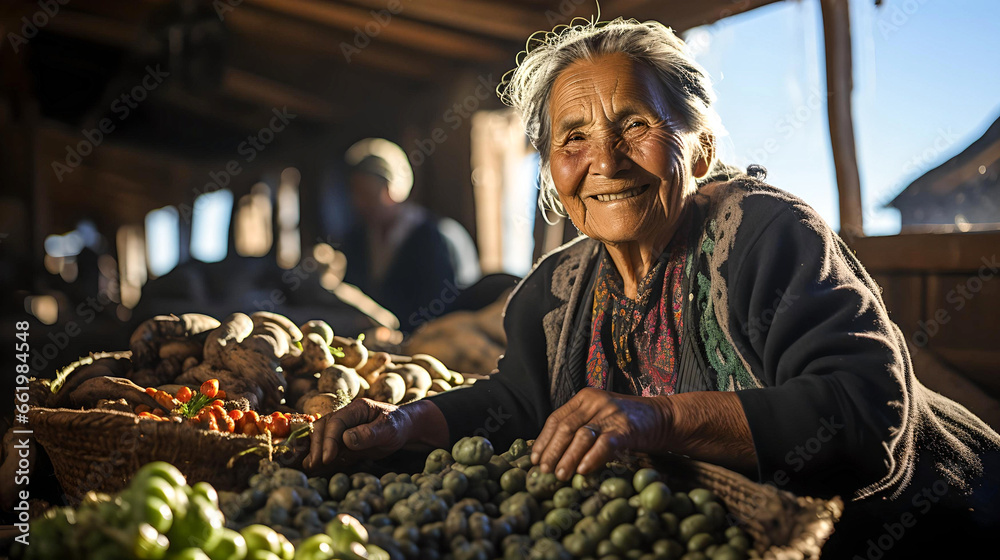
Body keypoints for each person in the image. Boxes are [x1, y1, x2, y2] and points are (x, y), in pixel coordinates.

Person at [307, 19, 1000, 553]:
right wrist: (404, 422)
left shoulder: (761, 232)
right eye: (572, 138)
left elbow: (864, 418)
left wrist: (655, 419)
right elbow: (518, 403)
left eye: (634, 124)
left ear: (697, 149)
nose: (603, 159)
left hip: (933, 523)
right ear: (551, 169)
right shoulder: (555, 288)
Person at [340, 138, 480, 332]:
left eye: (367, 194)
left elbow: (450, 307)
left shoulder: (439, 238)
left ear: (392, 190)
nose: (359, 203)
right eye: (355, 194)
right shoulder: (356, 239)